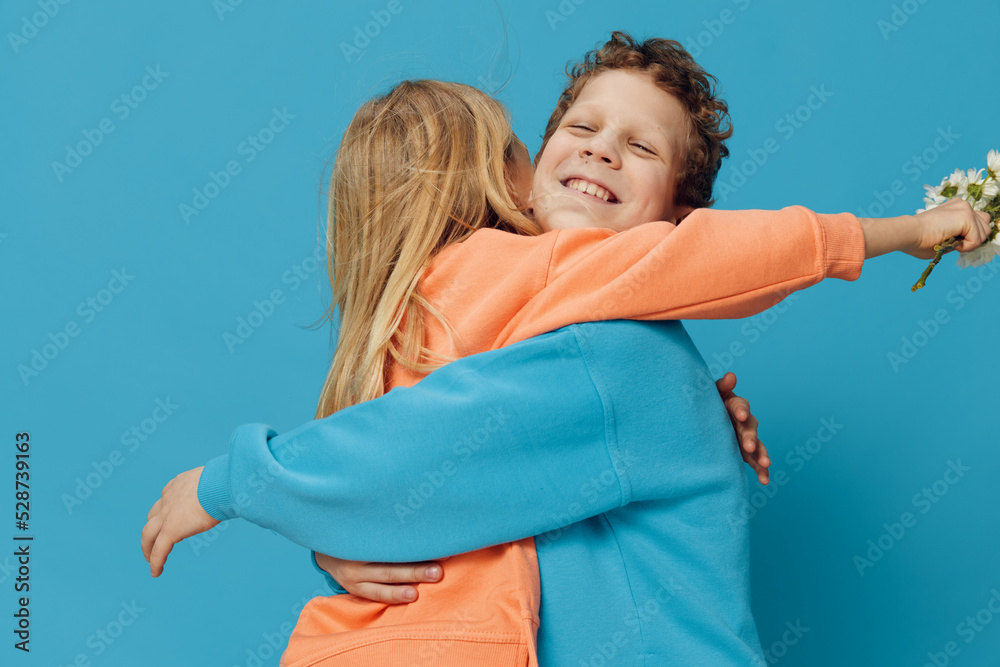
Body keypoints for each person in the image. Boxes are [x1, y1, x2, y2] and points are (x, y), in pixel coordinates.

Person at [141, 32, 991, 666]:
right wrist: (342, 526)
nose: (601, 148)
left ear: (671, 226)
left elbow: (419, 451)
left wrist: (245, 482)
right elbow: (422, 457)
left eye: (643, 146)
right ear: (523, 173)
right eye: (578, 126)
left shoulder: (612, 349)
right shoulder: (487, 307)